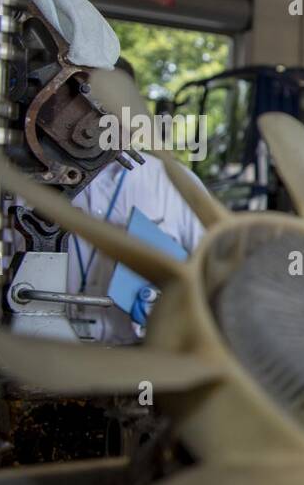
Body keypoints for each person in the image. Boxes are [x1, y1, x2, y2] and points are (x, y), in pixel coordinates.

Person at [65, 65, 206, 344]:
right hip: (46, 356)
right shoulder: (33, 182)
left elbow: (214, 272)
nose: (105, 116)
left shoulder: (172, 183)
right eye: (92, 103)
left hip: (140, 357)